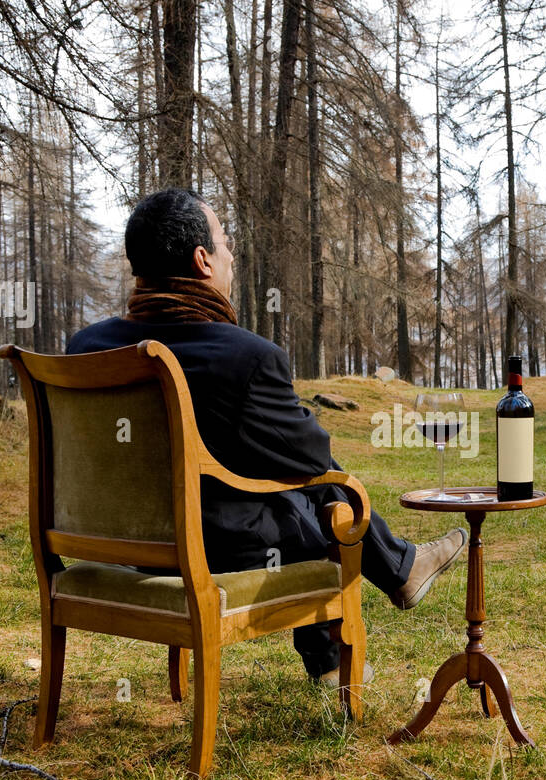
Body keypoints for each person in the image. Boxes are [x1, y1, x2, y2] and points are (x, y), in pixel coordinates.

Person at [65, 188, 466, 685]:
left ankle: (400, 573)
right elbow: (314, 458)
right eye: (225, 243)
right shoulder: (244, 356)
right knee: (320, 512)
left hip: (112, 542)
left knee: (294, 493)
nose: (232, 255)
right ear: (202, 261)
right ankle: (350, 641)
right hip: (207, 548)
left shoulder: (84, 347)